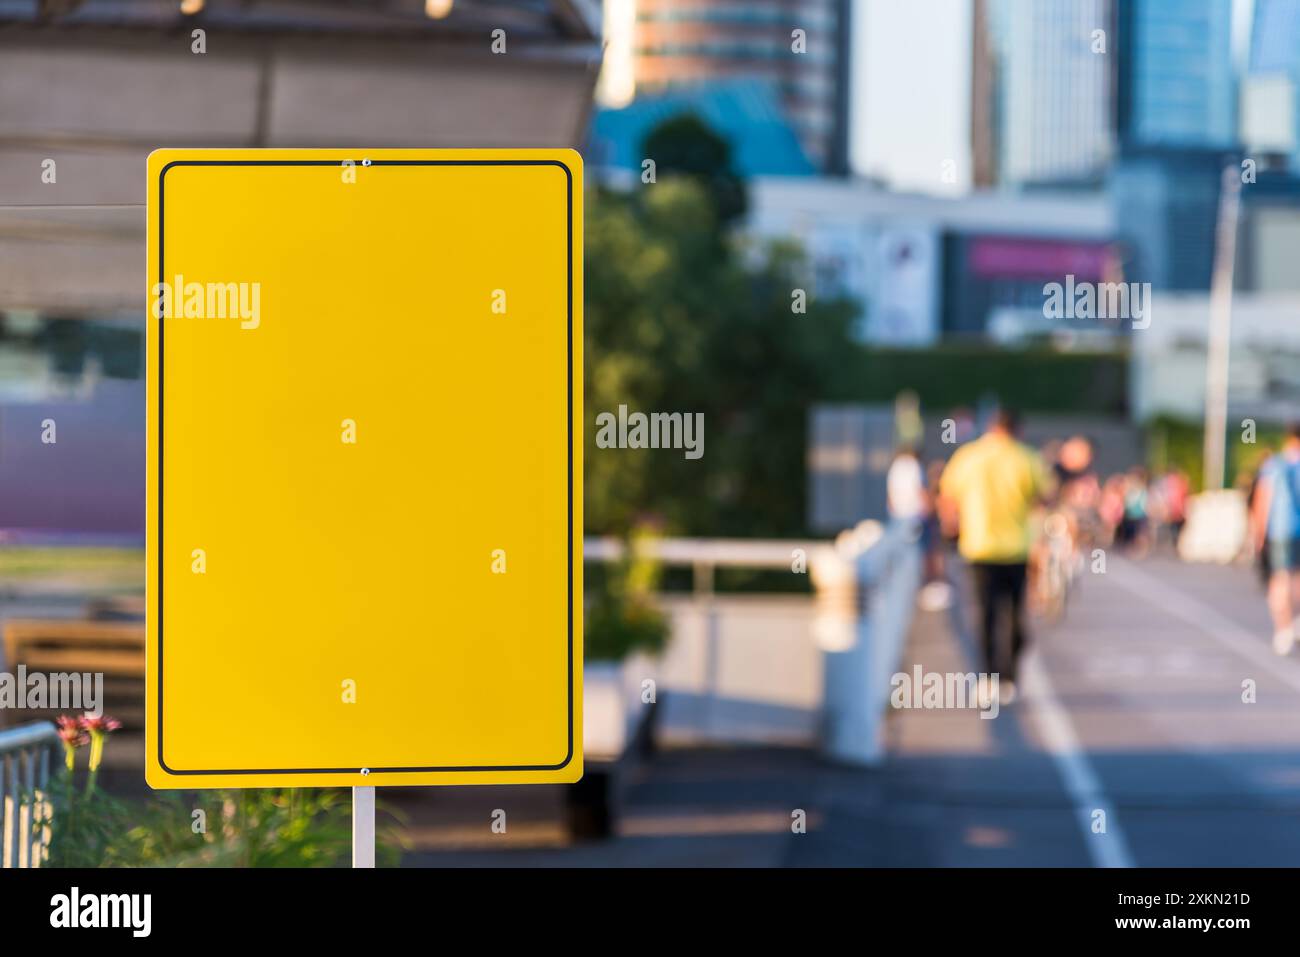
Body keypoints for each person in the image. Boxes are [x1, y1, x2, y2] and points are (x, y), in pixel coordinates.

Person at [938, 409, 1050, 703]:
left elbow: (947, 497)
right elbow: (1043, 497)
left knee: (986, 615)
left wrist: (951, 530)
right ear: (1017, 431)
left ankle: (988, 678)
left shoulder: (968, 456)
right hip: (1016, 548)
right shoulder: (1027, 458)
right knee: (1014, 613)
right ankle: (1009, 677)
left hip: (979, 546)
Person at [1250, 424, 1300, 655]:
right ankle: (1296, 620)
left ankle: (1283, 629)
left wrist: (1258, 533)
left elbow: (1263, 500)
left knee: (1280, 579)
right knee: (1297, 577)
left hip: (1280, 529)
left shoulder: (1274, 465)